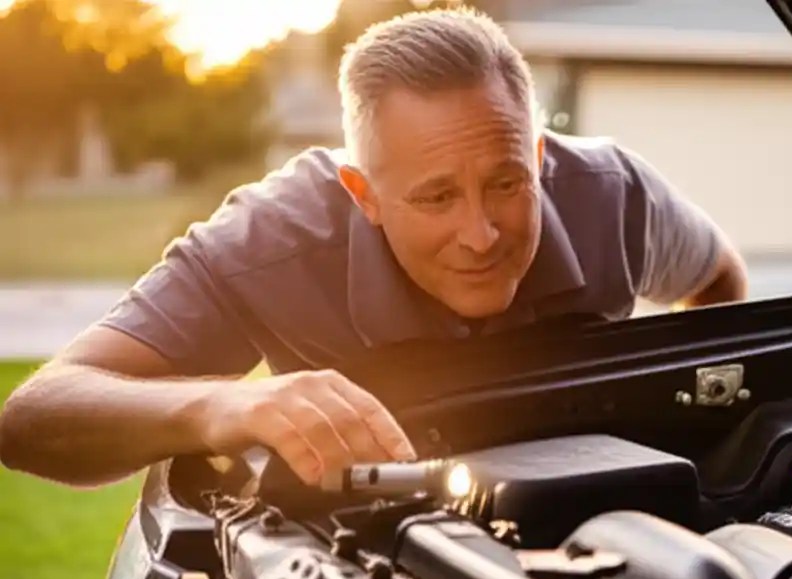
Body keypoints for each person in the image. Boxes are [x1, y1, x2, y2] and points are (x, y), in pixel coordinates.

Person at [0, 7, 748, 489]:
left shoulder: (614, 193)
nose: (481, 234)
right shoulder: (273, 241)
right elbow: (32, 418)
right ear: (363, 194)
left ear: (541, 153)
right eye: (435, 197)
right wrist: (222, 403)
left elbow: (719, 279)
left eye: (507, 182)